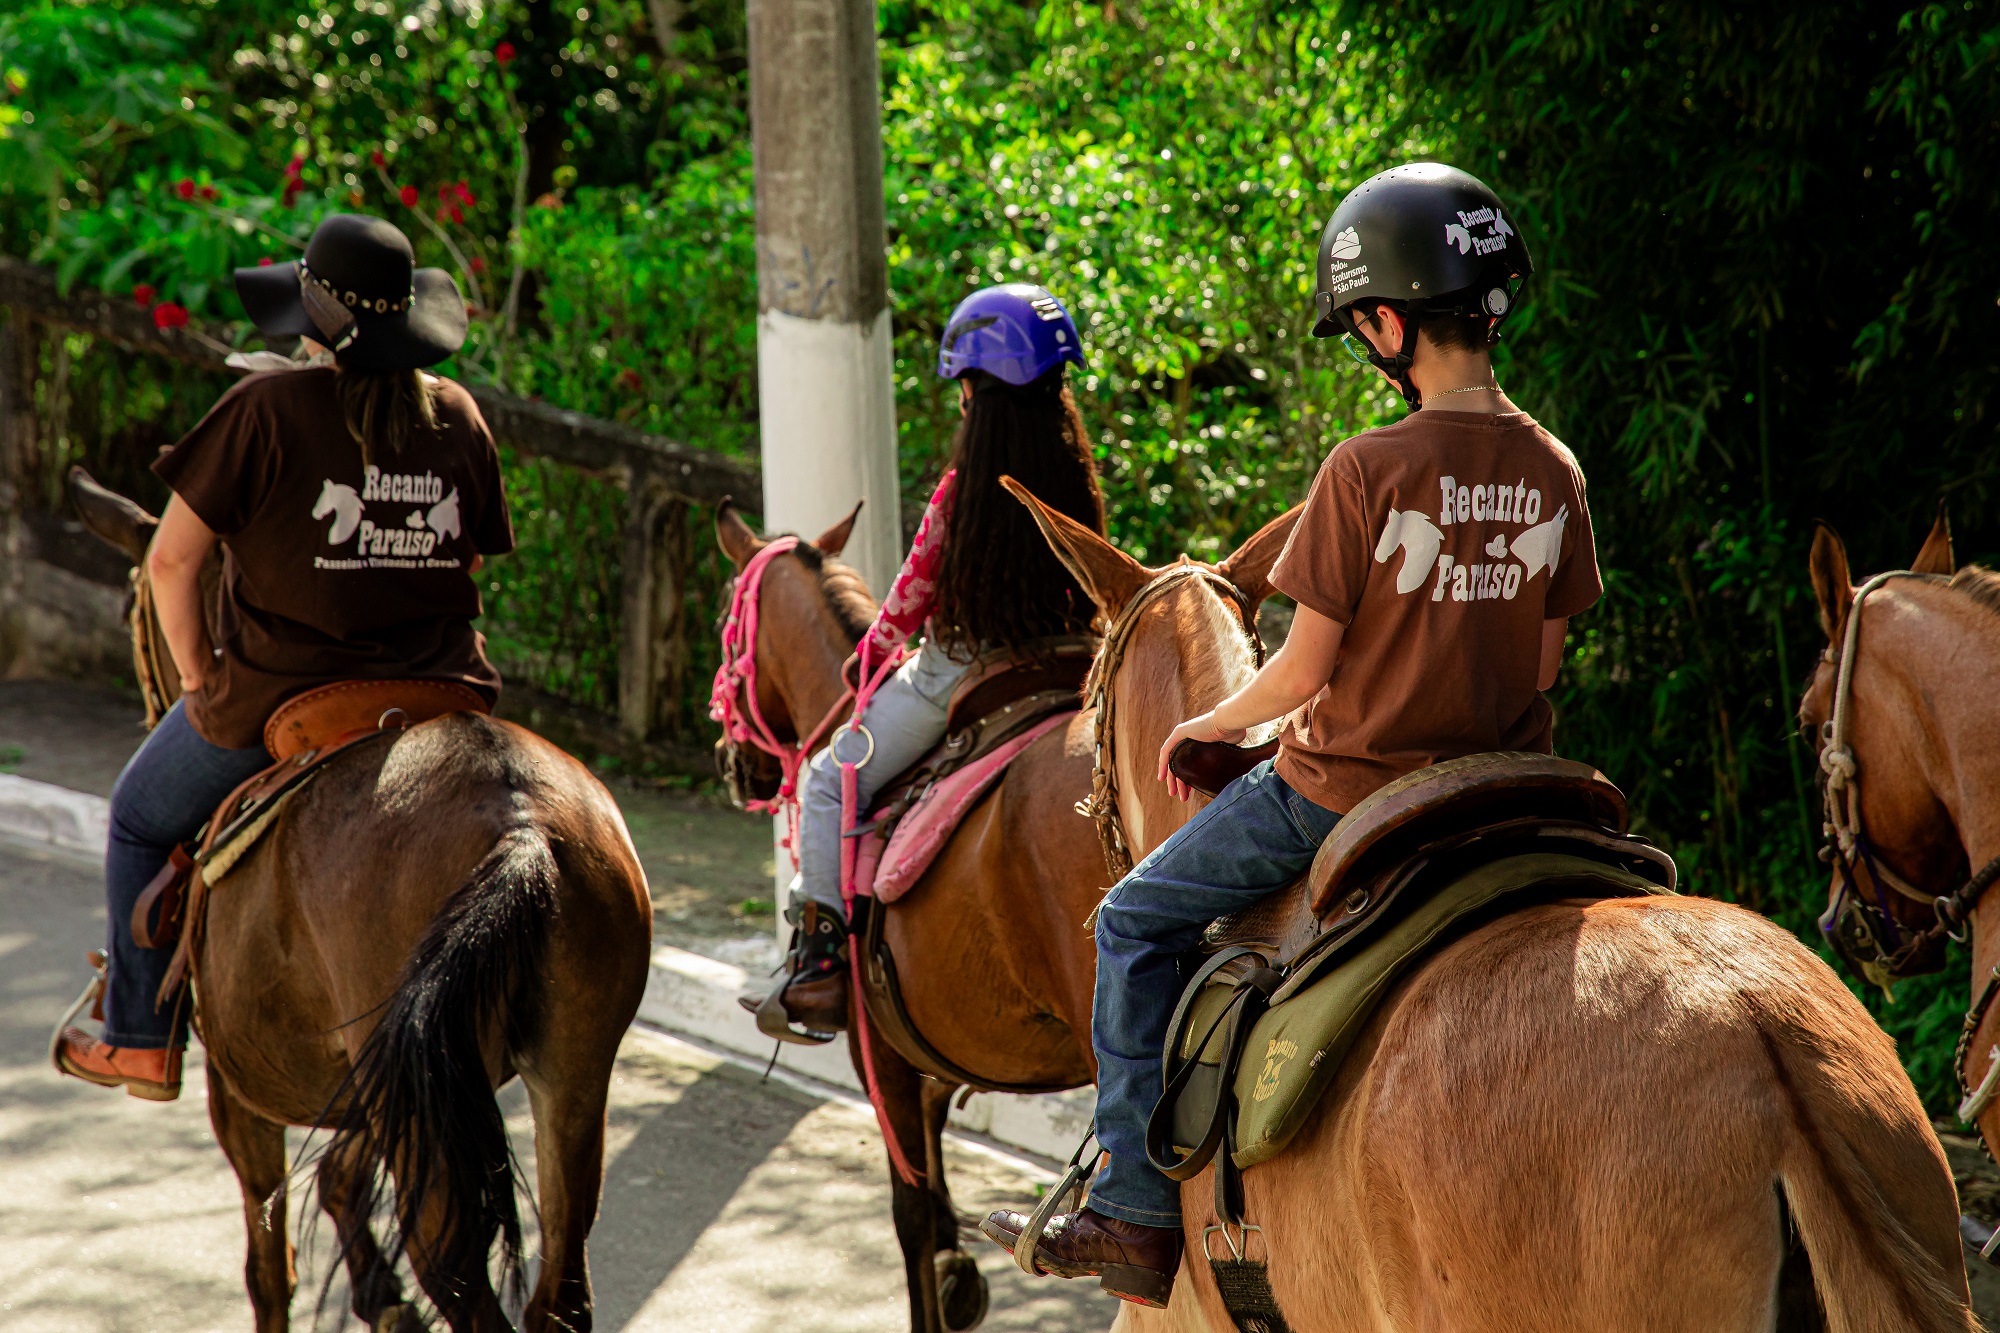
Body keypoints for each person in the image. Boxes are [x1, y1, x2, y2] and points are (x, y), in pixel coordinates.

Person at [982, 163, 1602, 1306]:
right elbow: (1541, 663)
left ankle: (1124, 1207)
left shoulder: (1364, 467)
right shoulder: (1552, 466)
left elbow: (1302, 672)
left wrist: (1210, 725)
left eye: (1357, 320)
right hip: (1517, 785)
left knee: (1130, 917)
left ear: (1384, 320)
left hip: (1343, 789)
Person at [55, 214, 515, 1101]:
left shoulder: (263, 407)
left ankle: (140, 1036)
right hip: (439, 696)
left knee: (139, 817)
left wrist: (197, 681)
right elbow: (468, 560)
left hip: (286, 699)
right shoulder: (457, 413)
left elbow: (170, 562)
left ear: (315, 321)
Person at [744, 283, 1108, 1041]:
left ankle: (816, 964)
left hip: (958, 677)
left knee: (827, 781)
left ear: (974, 390)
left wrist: (869, 656)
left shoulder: (960, 492)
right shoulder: (1075, 474)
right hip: (1075, 668)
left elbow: (911, 593)